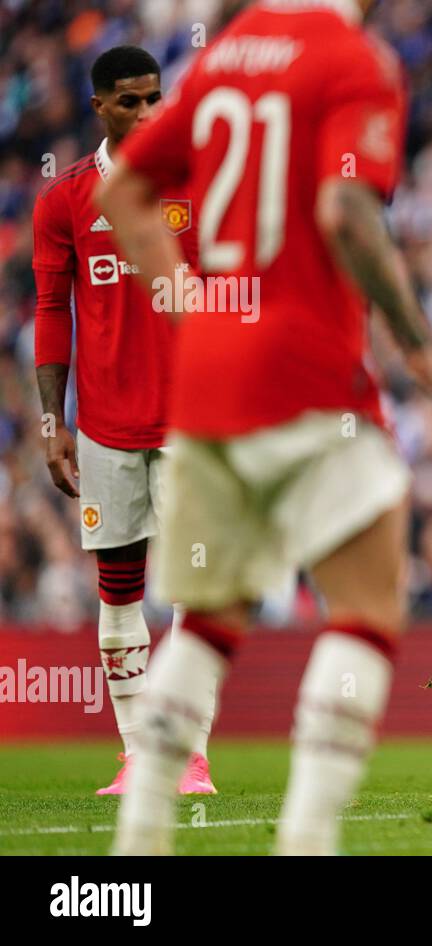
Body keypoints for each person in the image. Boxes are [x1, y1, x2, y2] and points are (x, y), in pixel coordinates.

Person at [96, 0, 432, 855]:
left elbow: (121, 192)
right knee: (368, 605)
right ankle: (306, 839)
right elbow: (345, 210)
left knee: (210, 618)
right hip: (305, 367)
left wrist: (189, 307)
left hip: (209, 376)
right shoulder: (353, 58)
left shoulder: (225, 53)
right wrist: (418, 345)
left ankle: (138, 845)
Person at [30, 45, 216, 796]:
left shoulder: (198, 186)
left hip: (191, 426)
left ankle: (189, 755)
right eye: (130, 101)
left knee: (195, 592)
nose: (146, 113)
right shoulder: (65, 199)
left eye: (155, 98)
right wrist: (53, 421)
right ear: (99, 106)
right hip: (104, 429)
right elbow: (52, 311)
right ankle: (138, 754)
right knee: (118, 592)